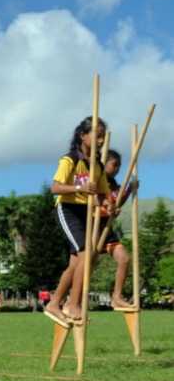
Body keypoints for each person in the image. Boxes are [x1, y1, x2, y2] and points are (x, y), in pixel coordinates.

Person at [44, 117, 111, 327]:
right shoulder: (70, 160)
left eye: (102, 136)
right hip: (67, 209)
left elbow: (103, 194)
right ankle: (73, 304)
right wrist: (80, 189)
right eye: (96, 135)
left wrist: (109, 204)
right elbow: (55, 188)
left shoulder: (97, 166)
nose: (100, 140)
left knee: (77, 263)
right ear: (83, 135)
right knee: (85, 254)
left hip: (86, 212)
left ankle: (54, 303)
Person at [101, 149, 139, 309]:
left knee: (124, 259)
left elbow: (116, 204)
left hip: (106, 228)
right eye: (114, 165)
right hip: (89, 228)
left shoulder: (115, 184)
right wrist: (106, 209)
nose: (117, 169)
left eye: (119, 166)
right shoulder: (96, 180)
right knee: (84, 266)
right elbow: (93, 205)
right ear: (104, 163)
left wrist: (130, 189)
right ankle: (70, 300)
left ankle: (116, 296)